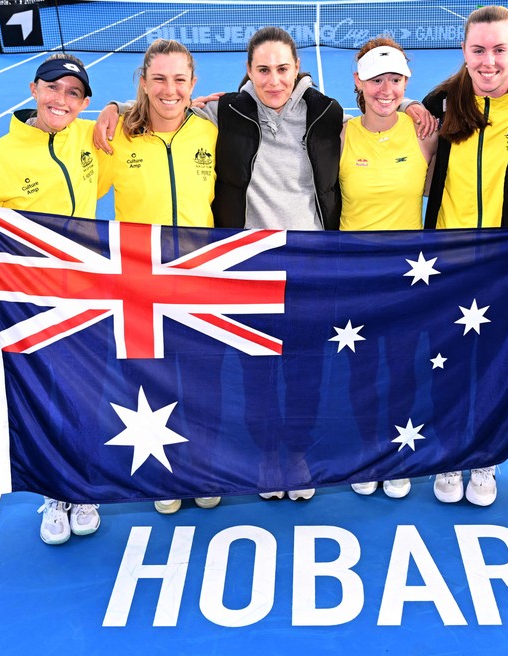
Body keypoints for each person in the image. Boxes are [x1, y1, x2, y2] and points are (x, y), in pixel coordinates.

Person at [94, 27, 436, 502]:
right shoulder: (226, 111)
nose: (274, 80)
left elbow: (381, 110)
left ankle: (295, 456)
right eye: (263, 70)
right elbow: (166, 103)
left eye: (282, 69)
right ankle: (265, 456)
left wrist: (413, 104)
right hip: (248, 267)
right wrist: (115, 107)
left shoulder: (326, 113)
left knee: (304, 372)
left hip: (309, 269)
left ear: (297, 70)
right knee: (255, 372)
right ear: (249, 72)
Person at [0, 54, 102, 545]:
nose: (61, 99)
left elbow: (146, 126)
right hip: (24, 305)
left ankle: (82, 489)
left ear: (84, 103)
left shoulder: (90, 140)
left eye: (73, 93)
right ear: (34, 90)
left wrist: (119, 108)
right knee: (38, 403)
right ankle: (54, 493)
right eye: (53, 88)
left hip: (83, 298)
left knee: (82, 398)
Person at [421, 5, 508, 506]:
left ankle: (484, 458)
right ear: (464, 51)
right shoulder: (441, 104)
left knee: (496, 365)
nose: (489, 61)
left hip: (507, 267)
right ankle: (448, 454)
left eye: (500, 49)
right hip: (447, 263)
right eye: (478, 50)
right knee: (447, 363)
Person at [94, 39, 222, 516]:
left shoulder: (210, 132)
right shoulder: (115, 138)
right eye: (160, 79)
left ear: (194, 84)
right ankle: (164, 474)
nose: (170, 90)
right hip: (139, 283)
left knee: (202, 380)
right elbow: (70, 176)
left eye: (180, 80)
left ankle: (202, 468)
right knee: (151, 382)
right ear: (143, 83)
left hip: (199, 279)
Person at [339, 37, 437, 498]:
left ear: (406, 82)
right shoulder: (339, 134)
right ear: (358, 83)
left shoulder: (425, 133)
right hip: (355, 277)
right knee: (360, 371)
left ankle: (396, 455)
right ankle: (365, 452)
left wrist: (415, 105)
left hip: (406, 278)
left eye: (395, 80)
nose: (386, 89)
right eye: (376, 80)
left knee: (401, 369)